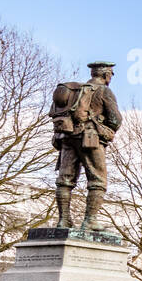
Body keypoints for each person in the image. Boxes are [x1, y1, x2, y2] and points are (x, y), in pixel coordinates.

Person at [51, 61, 124, 232]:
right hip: (90, 139)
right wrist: (106, 128)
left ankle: (63, 220)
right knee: (98, 179)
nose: (110, 78)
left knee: (65, 180)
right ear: (106, 75)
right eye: (110, 75)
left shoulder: (75, 91)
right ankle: (90, 220)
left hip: (67, 138)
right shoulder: (103, 91)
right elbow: (116, 119)